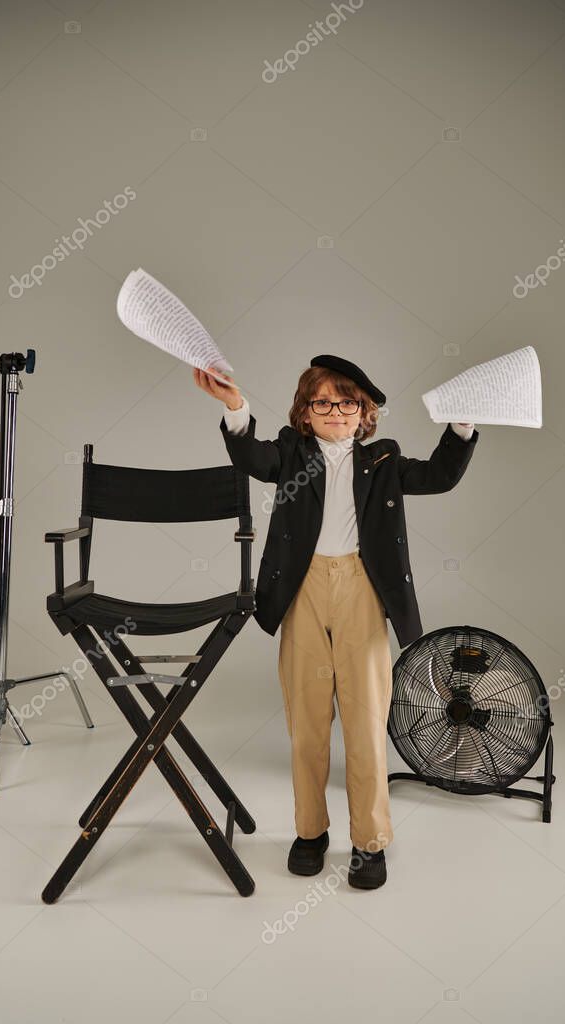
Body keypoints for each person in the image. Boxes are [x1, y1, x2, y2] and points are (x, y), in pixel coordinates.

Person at [194, 356, 478, 889]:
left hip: (362, 590)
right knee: (306, 725)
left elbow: (439, 476)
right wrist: (234, 405)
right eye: (322, 402)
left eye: (347, 403)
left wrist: (461, 425)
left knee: (366, 724)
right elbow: (252, 457)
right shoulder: (290, 451)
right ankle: (310, 832)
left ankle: (370, 842)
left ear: (365, 412)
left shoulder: (384, 459)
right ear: (304, 412)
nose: (335, 412)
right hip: (302, 589)